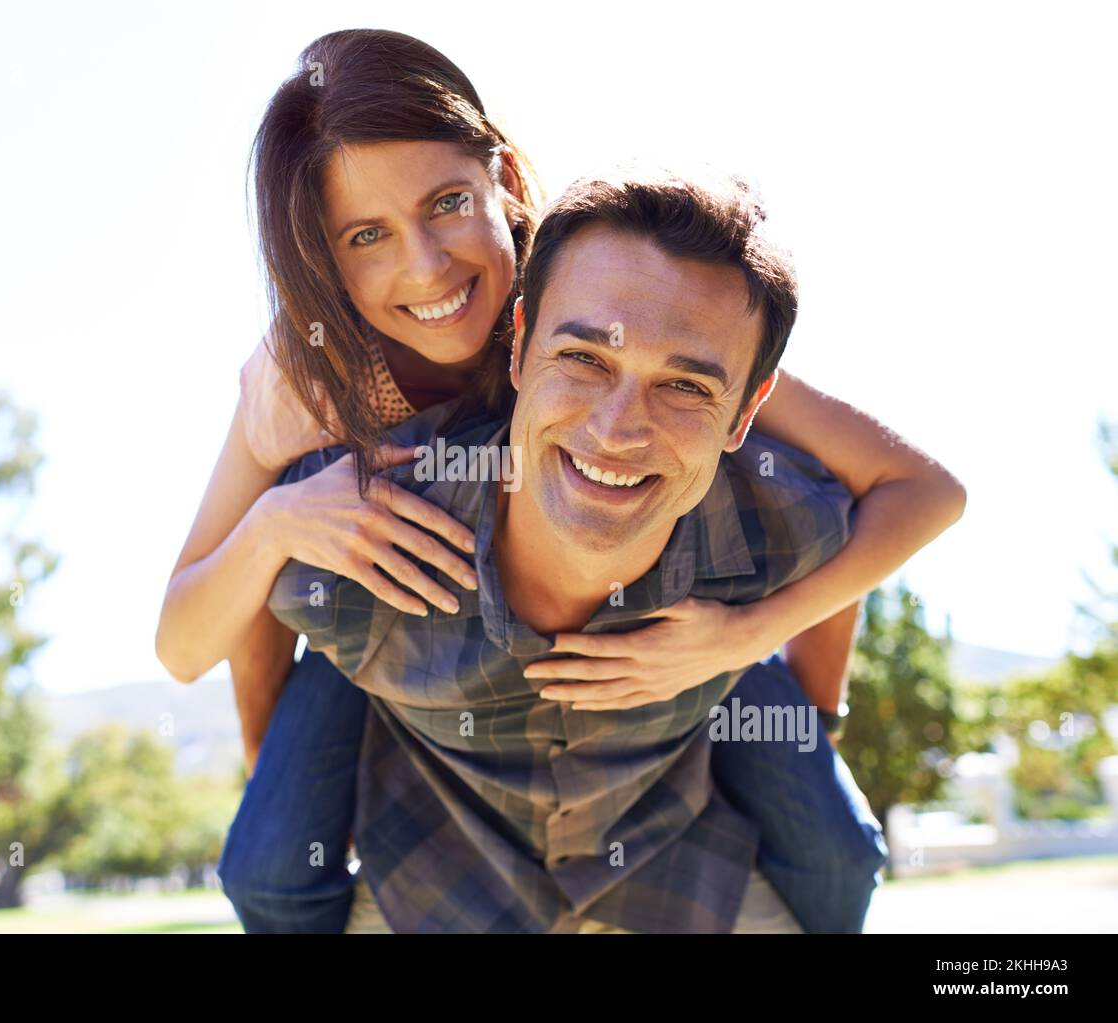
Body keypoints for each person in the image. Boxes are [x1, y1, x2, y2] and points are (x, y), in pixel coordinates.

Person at [154, 29, 966, 932]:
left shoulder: (612, 295)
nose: (427, 268)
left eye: (448, 202)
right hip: (395, 602)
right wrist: (277, 526)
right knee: (267, 865)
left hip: (666, 597)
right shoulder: (308, 379)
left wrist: (748, 640)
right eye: (367, 234)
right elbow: (194, 638)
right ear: (323, 255)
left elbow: (887, 489)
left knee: (838, 846)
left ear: (501, 175)